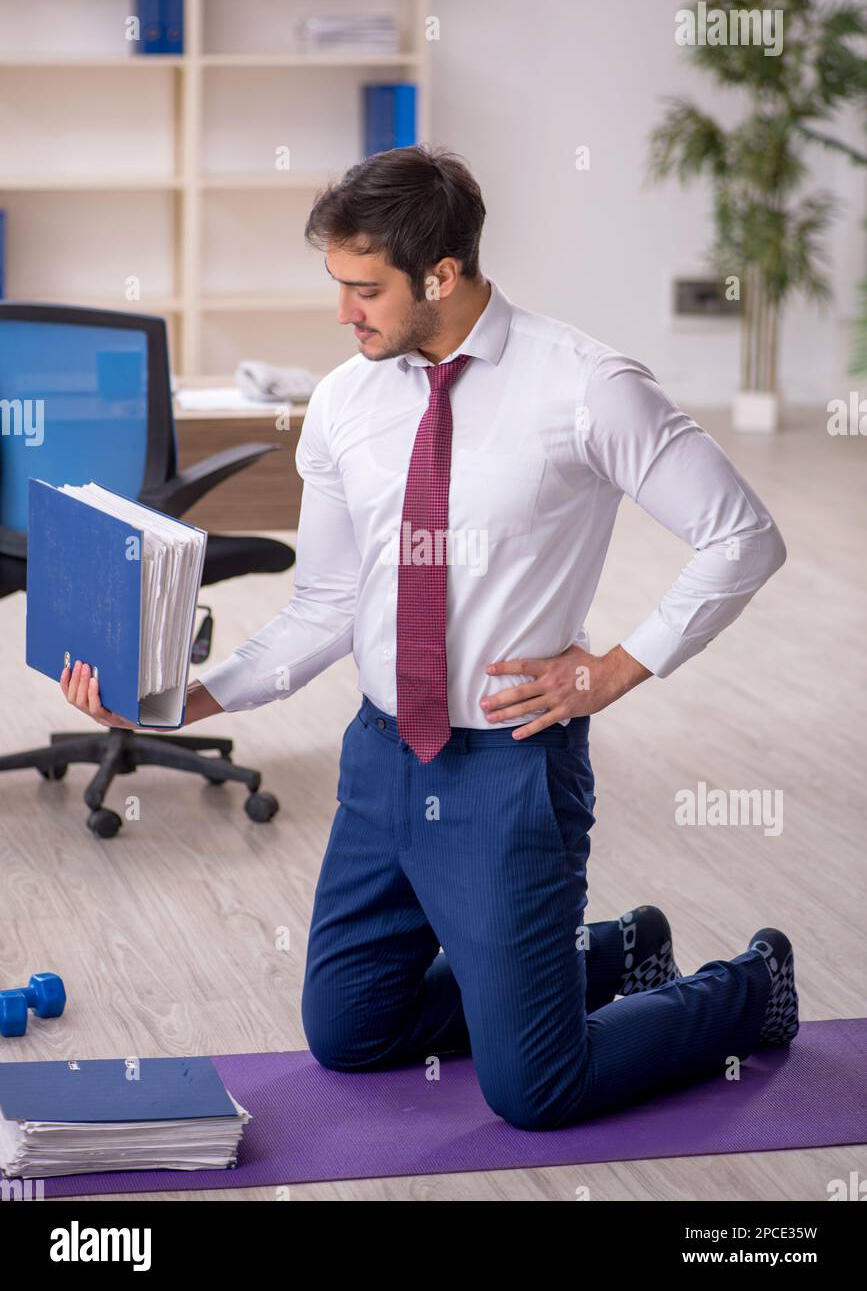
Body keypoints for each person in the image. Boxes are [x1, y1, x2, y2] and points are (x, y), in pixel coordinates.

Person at [62, 144, 798, 1131]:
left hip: (509, 766)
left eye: (364, 289)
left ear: (442, 275)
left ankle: (750, 987)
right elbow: (326, 602)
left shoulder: (587, 385)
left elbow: (743, 534)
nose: (343, 313)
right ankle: (615, 953)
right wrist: (184, 701)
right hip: (381, 758)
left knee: (536, 1089)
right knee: (350, 1029)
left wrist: (617, 667)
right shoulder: (344, 400)